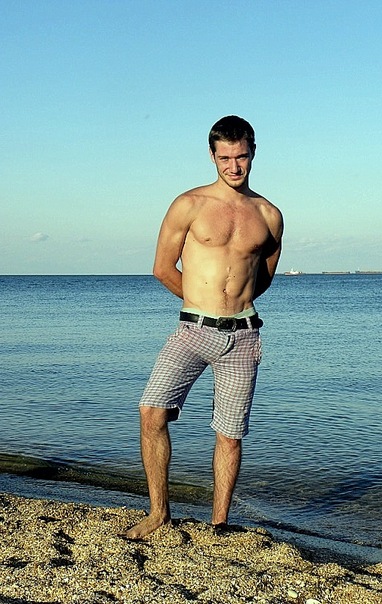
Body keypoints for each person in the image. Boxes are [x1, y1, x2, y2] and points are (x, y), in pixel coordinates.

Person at [126, 115, 283, 539]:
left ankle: (219, 524)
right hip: (193, 331)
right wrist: (203, 303)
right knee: (151, 412)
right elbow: (162, 268)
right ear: (212, 156)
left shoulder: (269, 215)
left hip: (244, 336)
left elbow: (264, 277)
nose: (234, 166)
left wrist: (233, 306)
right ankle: (159, 514)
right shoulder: (189, 204)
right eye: (225, 158)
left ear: (253, 153)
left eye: (241, 157)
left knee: (230, 435)